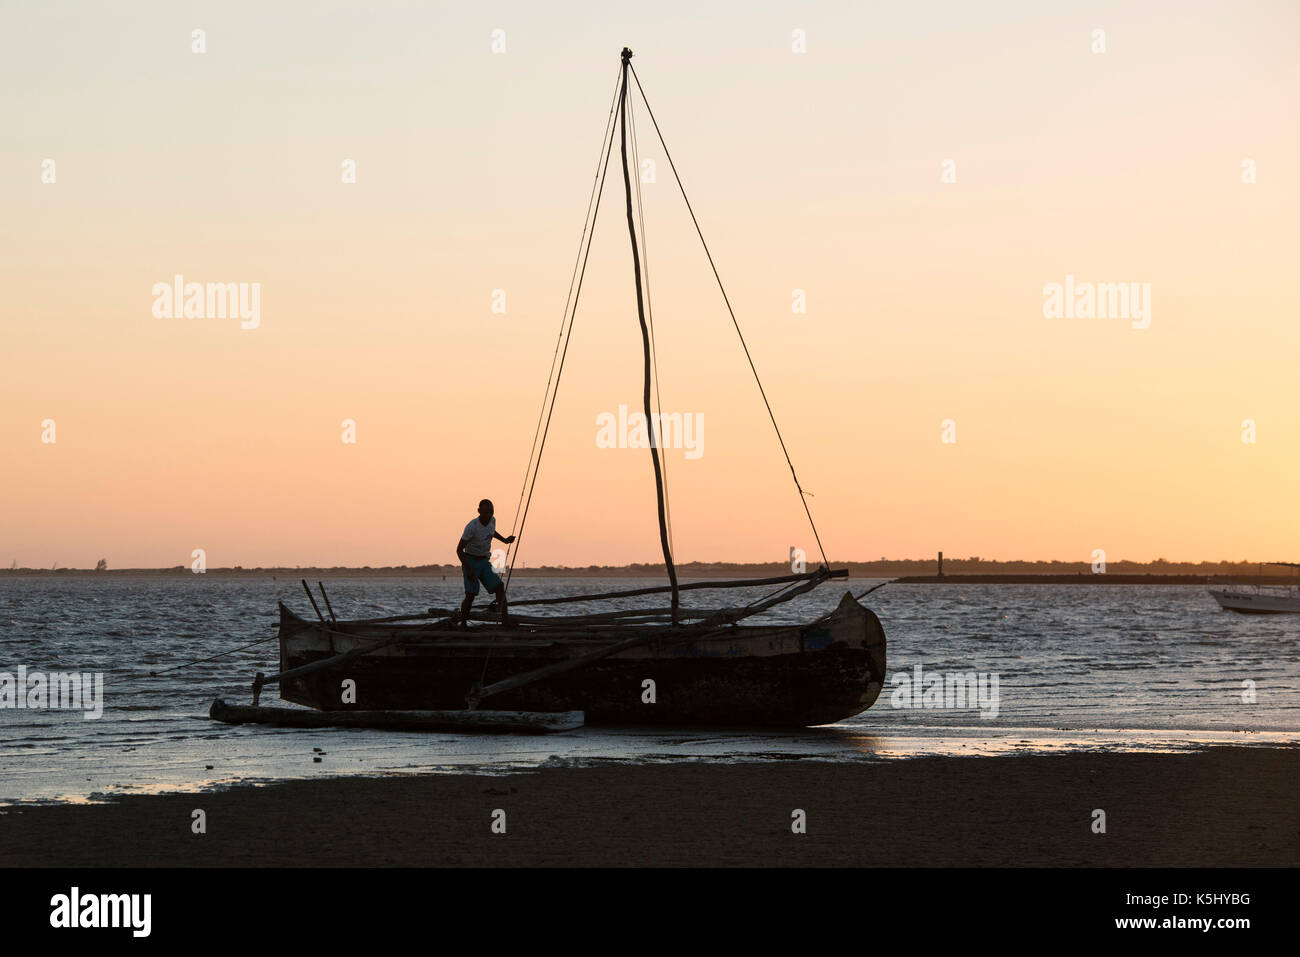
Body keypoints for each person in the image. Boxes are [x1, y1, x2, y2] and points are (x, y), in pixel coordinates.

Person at [456, 499, 515, 627]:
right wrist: (469, 569)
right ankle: (463, 624)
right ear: (479, 511)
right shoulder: (472, 527)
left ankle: (505, 623)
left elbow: (491, 531)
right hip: (470, 561)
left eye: (491, 512)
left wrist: (505, 540)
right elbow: (459, 550)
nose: (489, 515)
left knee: (499, 587)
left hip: (484, 560)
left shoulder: (493, 520)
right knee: (470, 594)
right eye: (486, 512)